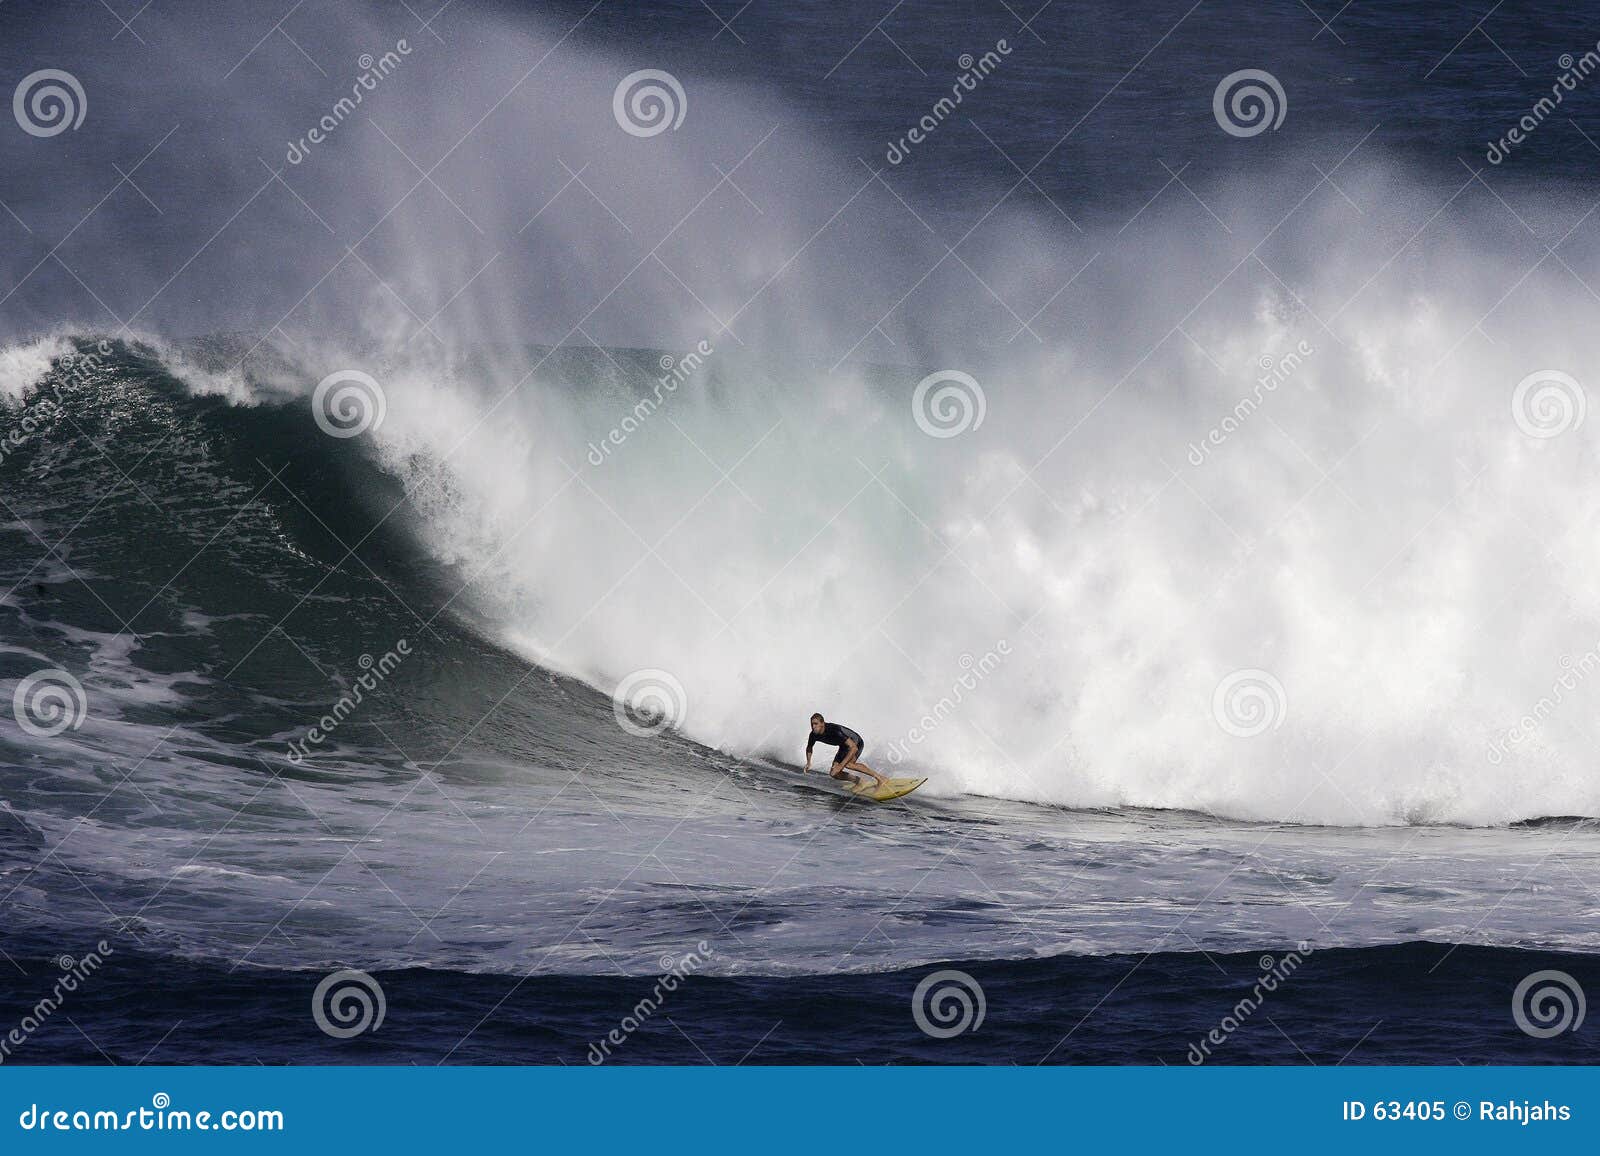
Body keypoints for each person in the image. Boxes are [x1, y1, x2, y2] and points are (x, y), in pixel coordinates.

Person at [803, 712, 888, 788]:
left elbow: (854, 748)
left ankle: (881, 778)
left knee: (849, 764)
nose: (813, 727)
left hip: (856, 742)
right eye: (812, 724)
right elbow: (809, 747)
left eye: (815, 724)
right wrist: (808, 762)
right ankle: (860, 782)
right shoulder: (813, 735)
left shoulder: (834, 730)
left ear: (822, 723)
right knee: (834, 773)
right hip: (843, 746)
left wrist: (841, 765)